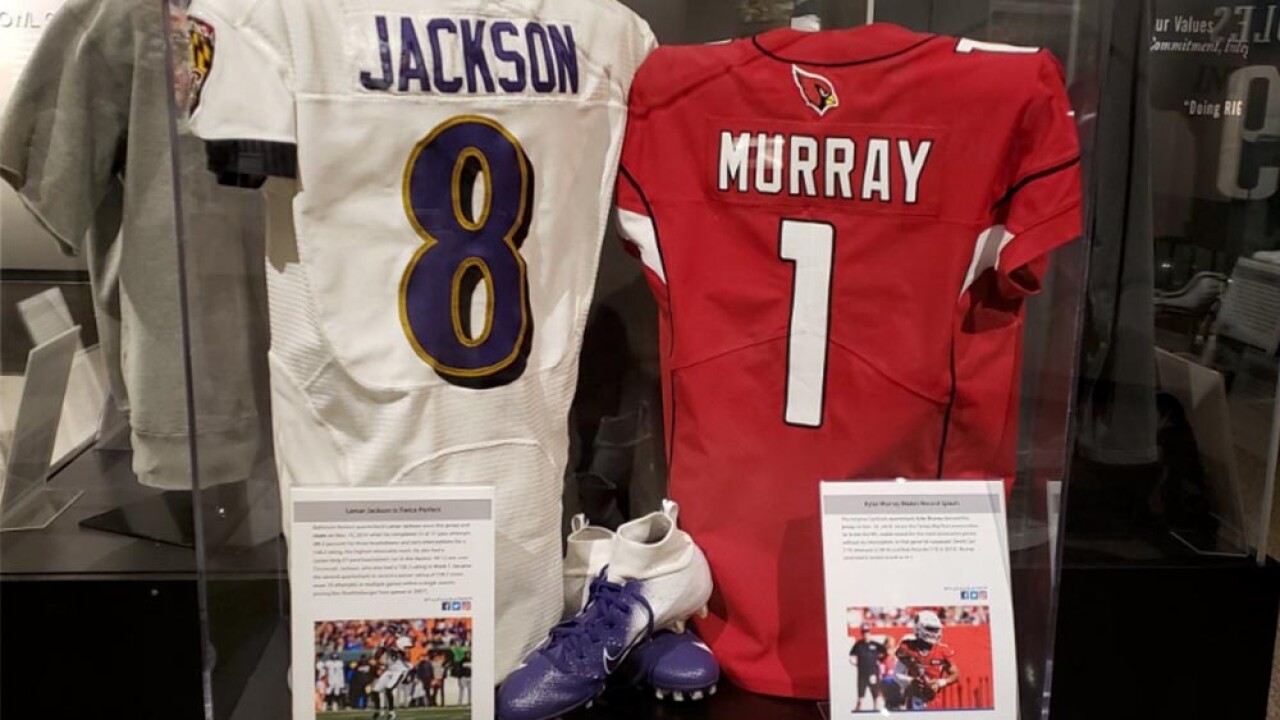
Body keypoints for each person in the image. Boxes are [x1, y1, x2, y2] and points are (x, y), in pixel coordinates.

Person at [893, 611, 959, 711]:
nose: (934, 633)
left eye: (936, 629)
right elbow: (897, 674)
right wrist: (910, 682)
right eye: (930, 629)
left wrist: (940, 682)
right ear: (918, 628)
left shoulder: (942, 651)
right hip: (913, 698)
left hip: (934, 701)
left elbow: (955, 674)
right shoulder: (907, 647)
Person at [369, 632, 413, 719]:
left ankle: (392, 712)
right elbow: (378, 655)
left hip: (400, 671)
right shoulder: (385, 646)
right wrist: (381, 650)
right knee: (375, 691)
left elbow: (407, 656)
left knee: (388, 689)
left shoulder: (401, 644)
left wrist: (396, 650)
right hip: (389, 670)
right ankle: (378, 711)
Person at [848, 623, 889, 711]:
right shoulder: (858, 645)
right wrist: (855, 662)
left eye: (867, 632)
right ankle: (858, 711)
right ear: (861, 633)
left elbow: (885, 652)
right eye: (864, 632)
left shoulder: (875, 644)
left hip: (872, 673)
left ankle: (876, 711)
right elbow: (851, 655)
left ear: (870, 633)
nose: (865, 634)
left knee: (875, 694)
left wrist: (880, 660)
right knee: (860, 696)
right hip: (862, 674)